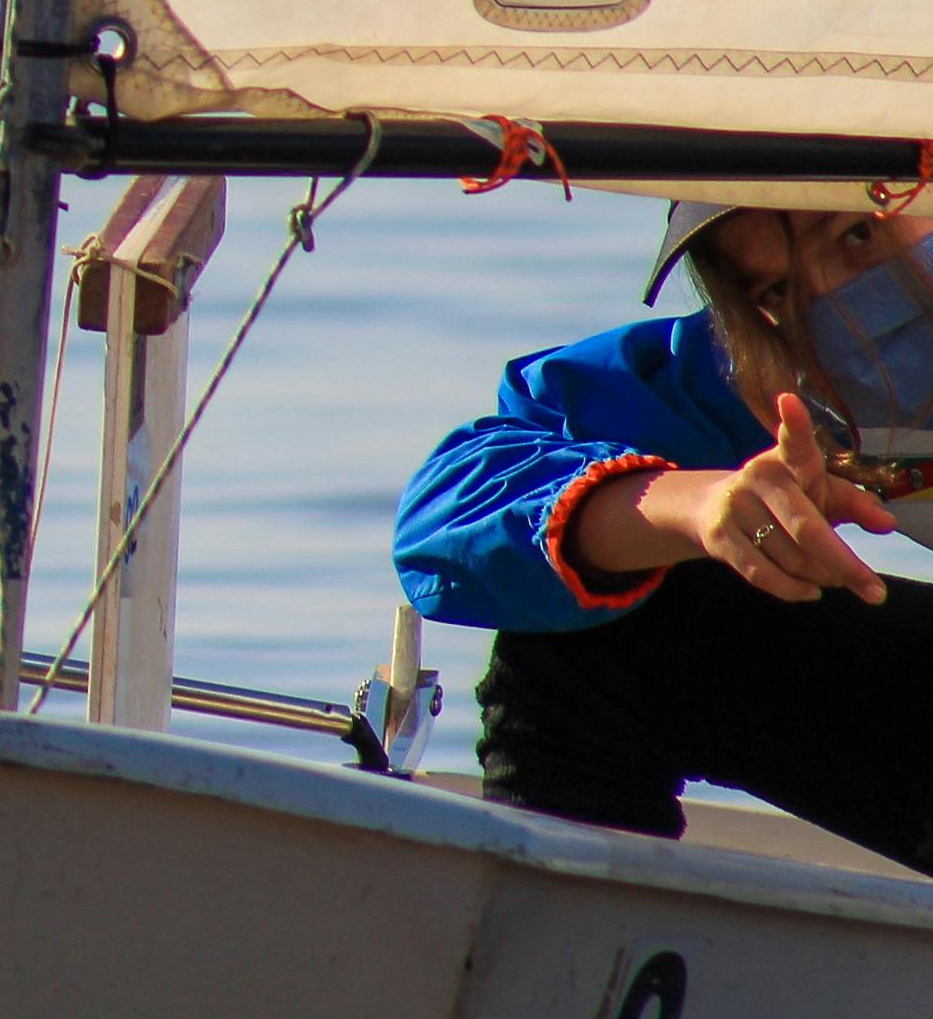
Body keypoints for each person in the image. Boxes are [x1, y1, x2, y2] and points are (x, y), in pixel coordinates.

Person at [395, 199, 933, 869]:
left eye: (858, 235)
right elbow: (449, 511)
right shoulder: (778, 377)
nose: (831, 300)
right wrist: (696, 507)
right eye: (776, 289)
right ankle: (572, 951)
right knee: (595, 642)